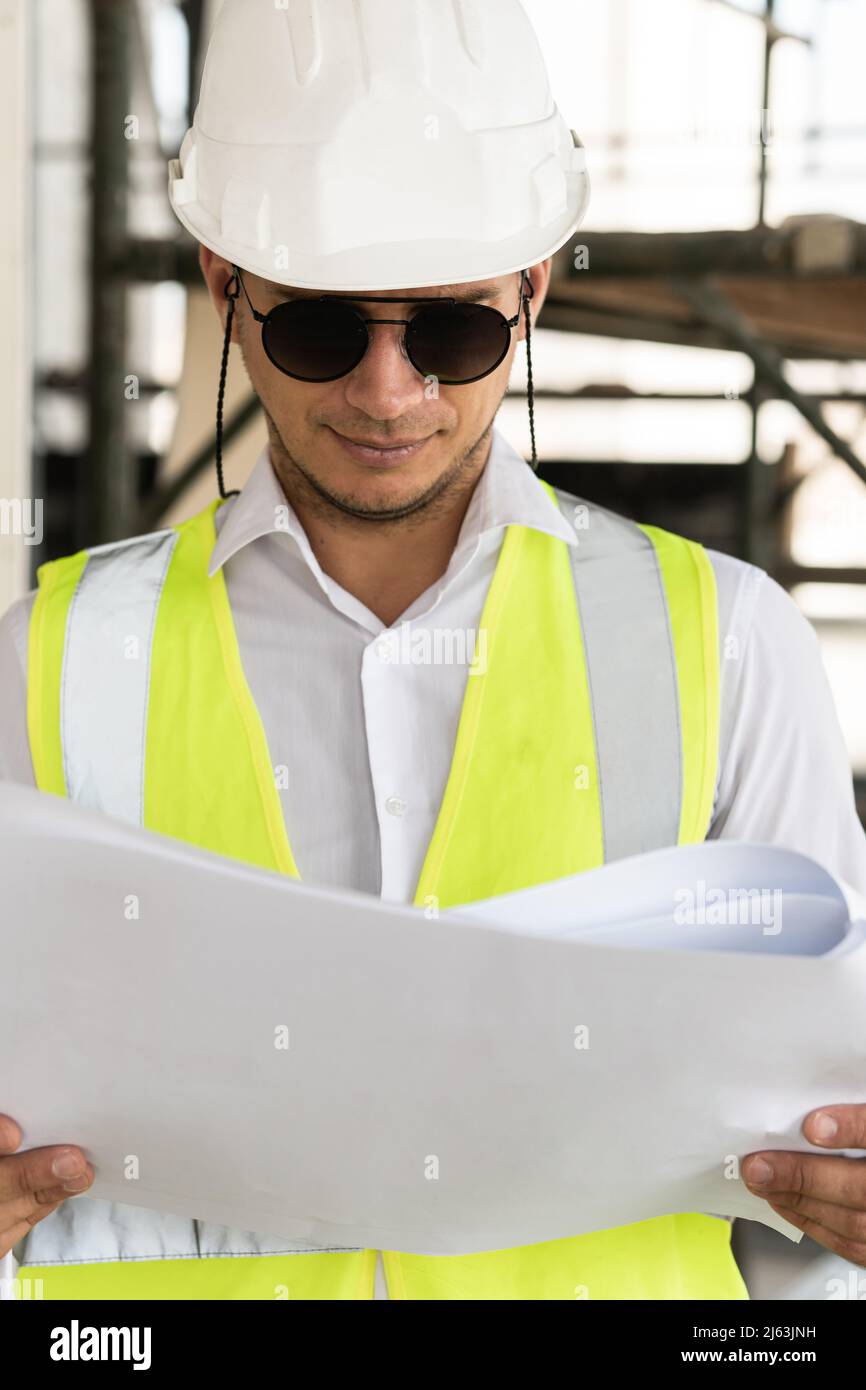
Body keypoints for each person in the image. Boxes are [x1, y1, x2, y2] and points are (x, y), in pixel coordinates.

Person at [1, 0, 865, 1302]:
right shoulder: (46, 659)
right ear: (224, 289)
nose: (387, 392)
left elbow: (811, 1182)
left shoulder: (730, 644)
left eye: (453, 330)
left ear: (532, 287)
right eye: (321, 328)